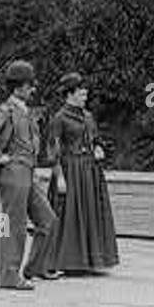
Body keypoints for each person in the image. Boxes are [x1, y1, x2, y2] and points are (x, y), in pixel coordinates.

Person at [0, 60, 57, 291]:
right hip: (12, 175)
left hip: (28, 173)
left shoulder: (25, 111)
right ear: (18, 87)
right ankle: (9, 275)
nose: (33, 89)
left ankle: (34, 268)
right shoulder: (5, 111)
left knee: (48, 220)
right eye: (30, 85)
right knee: (10, 225)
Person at [44, 73, 119, 274]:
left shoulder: (87, 116)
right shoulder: (59, 118)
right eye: (81, 92)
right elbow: (53, 149)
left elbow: (94, 138)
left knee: (89, 213)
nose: (85, 95)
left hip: (89, 170)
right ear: (70, 93)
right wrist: (58, 175)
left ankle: (89, 261)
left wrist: (98, 147)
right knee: (67, 215)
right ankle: (61, 261)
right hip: (70, 170)